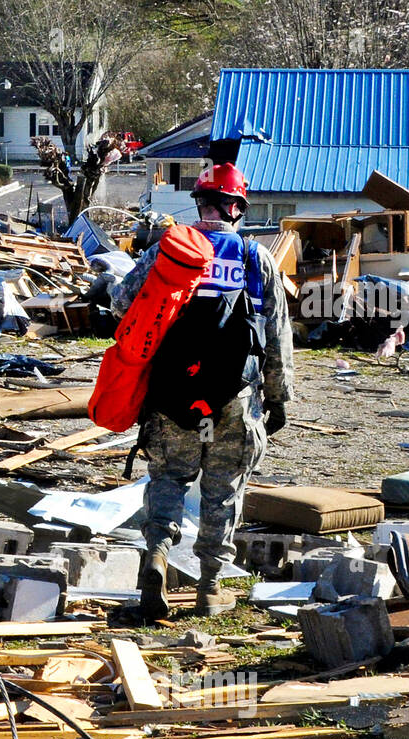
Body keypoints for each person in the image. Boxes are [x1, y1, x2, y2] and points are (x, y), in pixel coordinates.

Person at [110, 162, 294, 619]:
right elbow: (276, 335)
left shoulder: (170, 251)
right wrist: (278, 397)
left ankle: (156, 555)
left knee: (169, 477)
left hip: (173, 394)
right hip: (234, 397)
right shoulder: (255, 257)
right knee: (223, 487)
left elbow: (121, 303)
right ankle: (210, 587)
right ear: (237, 207)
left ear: (200, 203)